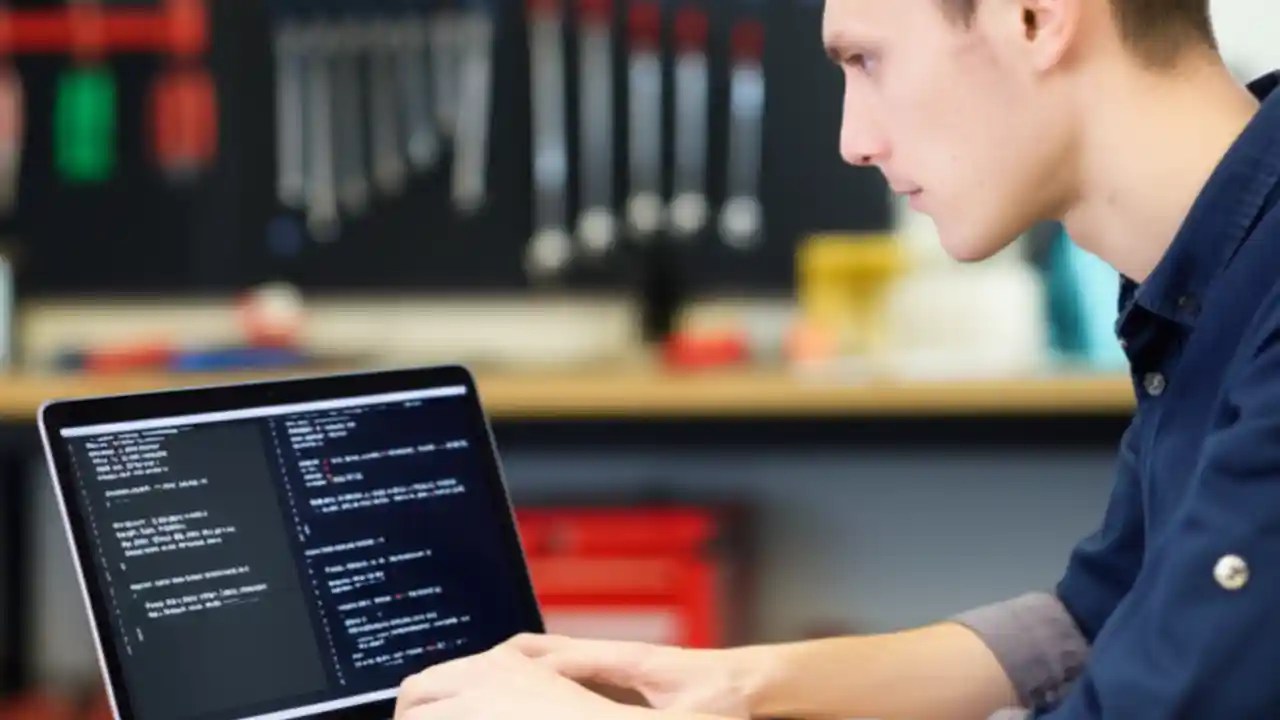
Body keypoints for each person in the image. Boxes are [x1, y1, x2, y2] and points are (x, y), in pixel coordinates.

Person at [395, 0, 1280, 717]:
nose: (852, 141)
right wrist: (736, 685)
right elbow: (1093, 621)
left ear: (1034, 17)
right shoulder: (1202, 279)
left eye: (866, 60)